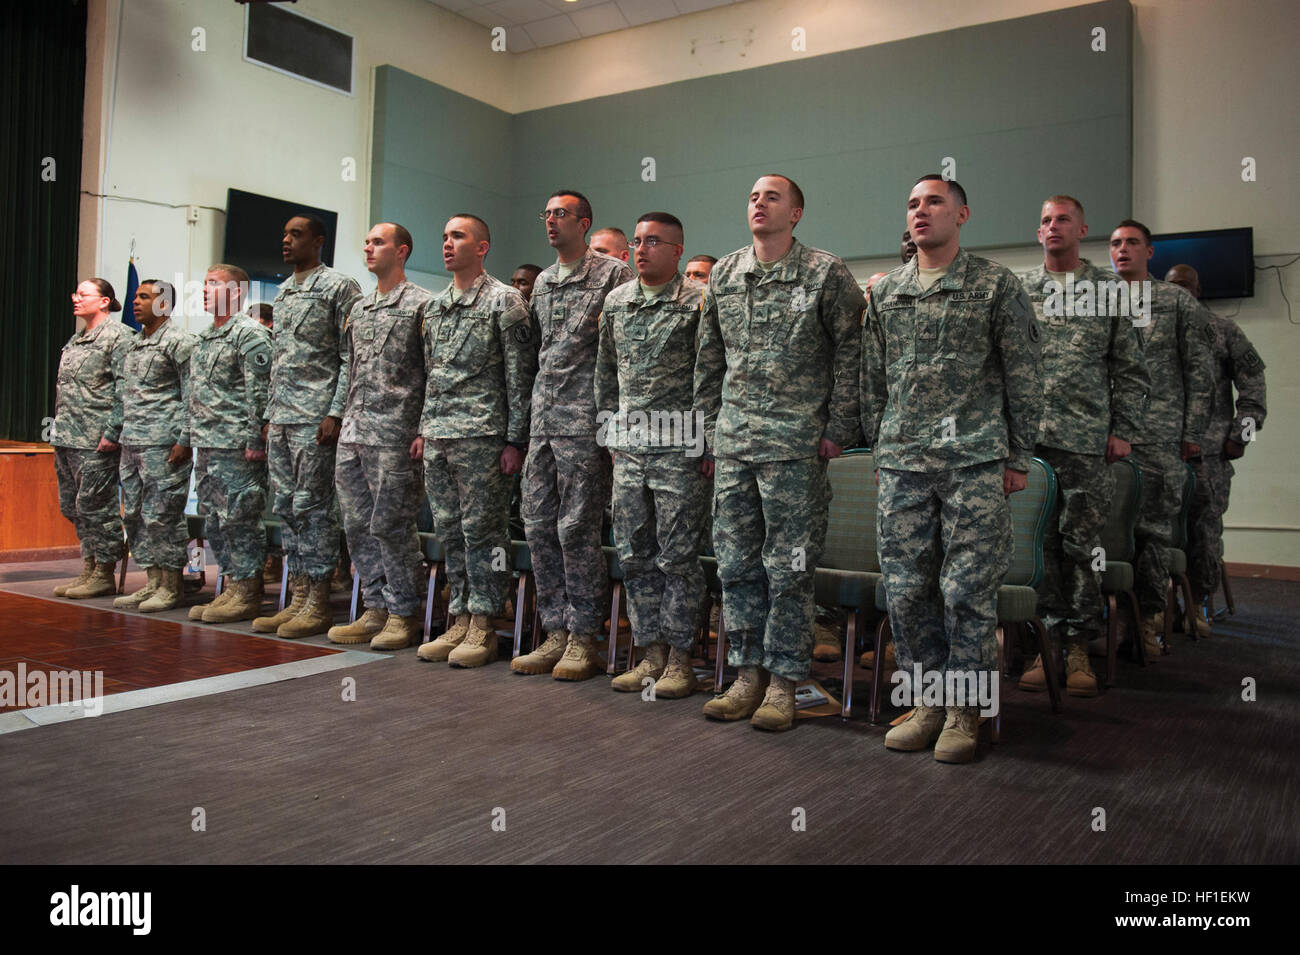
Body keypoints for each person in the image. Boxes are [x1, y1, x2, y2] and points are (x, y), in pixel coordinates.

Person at [862, 175, 1043, 763]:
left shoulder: (995, 285)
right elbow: (872, 379)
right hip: (904, 463)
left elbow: (1024, 375)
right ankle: (927, 702)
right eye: (912, 204)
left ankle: (965, 710)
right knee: (906, 590)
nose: (921, 211)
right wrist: (881, 449)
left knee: (966, 591)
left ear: (962, 215)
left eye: (934, 202)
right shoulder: (887, 292)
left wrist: (1018, 456)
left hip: (974, 461)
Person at [694, 174, 865, 731]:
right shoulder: (725, 273)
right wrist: (710, 432)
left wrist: (838, 427)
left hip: (796, 446)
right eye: (752, 197)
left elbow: (852, 352)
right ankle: (746, 675)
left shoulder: (825, 273)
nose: (759, 204)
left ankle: (785, 683)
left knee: (789, 569)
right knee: (736, 566)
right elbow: (709, 358)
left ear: (796, 213)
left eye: (772, 197)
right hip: (736, 445)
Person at [1017, 196, 1148, 696]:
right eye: (1046, 220)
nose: (1053, 226)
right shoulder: (1020, 289)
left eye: (1063, 220)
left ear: (1082, 230)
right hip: (1028, 441)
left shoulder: (1109, 291)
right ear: (1039, 233)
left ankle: (1077, 647)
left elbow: (1131, 370)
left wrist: (1123, 430)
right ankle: (1044, 642)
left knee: (1082, 545)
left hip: (1085, 439)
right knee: (1038, 545)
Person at [512, 189, 634, 679]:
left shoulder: (613, 275)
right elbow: (539, 354)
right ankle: (555, 630)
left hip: (585, 422)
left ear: (584, 223)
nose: (551, 221)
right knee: (538, 524)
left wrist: (614, 425)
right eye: (546, 213)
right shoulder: (543, 281)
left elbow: (623, 354)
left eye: (561, 214)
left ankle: (584, 636)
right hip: (543, 422)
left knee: (577, 528)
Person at [416, 215, 536, 666]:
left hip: (484, 435)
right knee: (450, 530)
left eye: (458, 236)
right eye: (444, 236)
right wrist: (424, 429)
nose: (447, 243)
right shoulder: (435, 307)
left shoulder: (504, 301)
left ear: (482, 247)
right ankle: (460, 615)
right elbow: (431, 374)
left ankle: (485, 622)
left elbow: (519, 376)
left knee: (485, 532)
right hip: (440, 434)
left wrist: (515, 440)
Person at [598, 212, 709, 699]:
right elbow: (605, 374)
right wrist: (610, 435)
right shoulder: (617, 301)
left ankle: (681, 659)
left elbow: (711, 375)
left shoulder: (698, 301)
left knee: (677, 557)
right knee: (634, 555)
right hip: (629, 450)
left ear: (678, 251)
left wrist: (704, 442)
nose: (641, 249)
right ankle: (650, 653)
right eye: (637, 241)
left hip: (679, 448)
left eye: (654, 242)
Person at [316, 223, 431, 650]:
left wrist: (423, 428)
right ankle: (375, 607)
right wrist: (338, 416)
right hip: (354, 432)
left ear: (402, 251)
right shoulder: (360, 308)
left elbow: (434, 372)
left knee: (392, 525)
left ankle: (404, 612)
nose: (368, 247)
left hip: (396, 434)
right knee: (357, 526)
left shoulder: (422, 305)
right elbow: (349, 366)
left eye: (378, 242)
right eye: (366, 242)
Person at [254, 215, 363, 637]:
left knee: (313, 509)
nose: (286, 240)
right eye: (284, 234)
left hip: (316, 417)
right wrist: (270, 414)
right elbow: (279, 361)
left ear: (318, 242)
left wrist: (335, 412)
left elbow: (350, 355)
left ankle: (318, 600)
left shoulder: (338, 287)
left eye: (296, 235)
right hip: (283, 416)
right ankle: (297, 596)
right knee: (286, 508)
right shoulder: (283, 292)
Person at [1109, 221, 1213, 656]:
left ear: (1149, 252)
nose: (1122, 250)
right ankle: (1103, 621)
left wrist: (1192, 433)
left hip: (1159, 435)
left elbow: (1200, 371)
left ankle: (1148, 621)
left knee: (1152, 532)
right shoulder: (1097, 298)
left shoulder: (1175, 301)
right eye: (1116, 243)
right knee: (1104, 530)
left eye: (1132, 243)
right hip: (1106, 436)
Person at [1164, 264, 1266, 632]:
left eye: (1185, 286)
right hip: (1160, 452)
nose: (1180, 293)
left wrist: (1242, 436)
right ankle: (1158, 608)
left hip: (1208, 455)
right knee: (1156, 534)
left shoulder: (1224, 331)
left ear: (1198, 290)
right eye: (1173, 287)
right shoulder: (1153, 330)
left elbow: (1254, 387)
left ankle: (1199, 604)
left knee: (1204, 534)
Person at [184, 265, 273, 623]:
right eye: (204, 284)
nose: (205, 290)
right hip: (207, 444)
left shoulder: (250, 334)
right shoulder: (205, 337)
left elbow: (260, 392)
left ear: (236, 292)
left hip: (238, 446)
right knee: (215, 522)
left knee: (240, 518)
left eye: (213, 284)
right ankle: (231, 585)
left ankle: (248, 591)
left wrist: (255, 440)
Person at [113, 279, 198, 612]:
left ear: (163, 304)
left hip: (164, 444)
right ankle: (152, 582)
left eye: (144, 297)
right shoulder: (134, 345)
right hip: (132, 442)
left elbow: (193, 394)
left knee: (163, 515)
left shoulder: (180, 342)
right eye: (136, 296)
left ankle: (172, 585)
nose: (135, 302)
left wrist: (184, 439)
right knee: (135, 515)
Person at [50, 278, 134, 598]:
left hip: (96, 439)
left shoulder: (118, 337)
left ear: (104, 301)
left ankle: (104, 571)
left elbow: (126, 388)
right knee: (73, 506)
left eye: (83, 294)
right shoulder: (76, 339)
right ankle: (89, 566)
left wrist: (113, 431)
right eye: (75, 293)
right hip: (68, 435)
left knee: (96, 506)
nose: (76, 298)